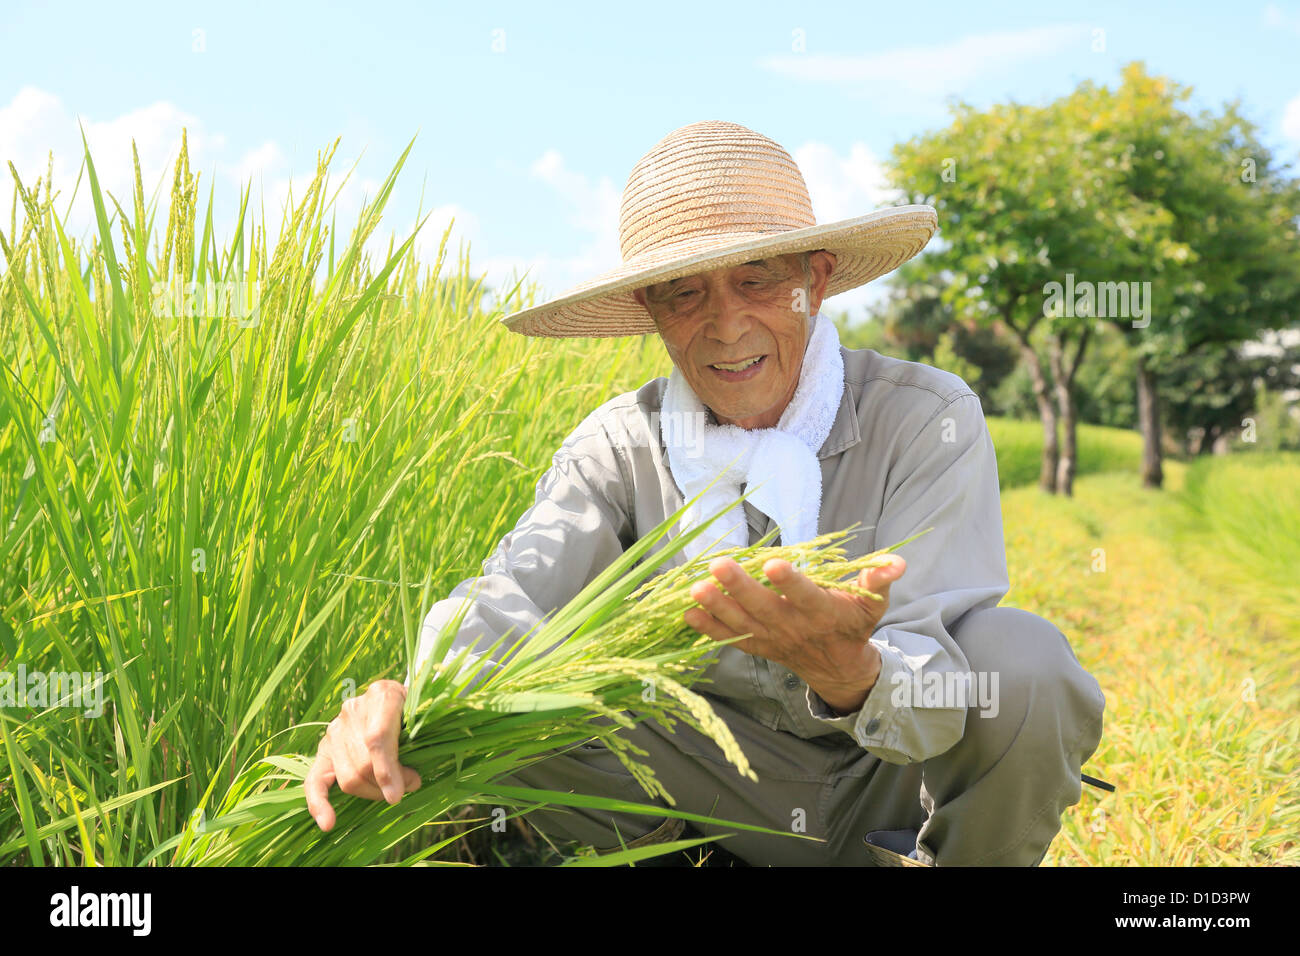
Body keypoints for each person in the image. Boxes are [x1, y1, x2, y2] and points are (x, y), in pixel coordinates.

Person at [304, 120, 1106, 866]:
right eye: (685, 293)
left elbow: (935, 699)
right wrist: (409, 697)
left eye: (757, 281)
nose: (725, 326)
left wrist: (848, 669)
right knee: (509, 715)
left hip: (887, 785)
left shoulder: (924, 419)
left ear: (814, 281)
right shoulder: (621, 446)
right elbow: (510, 603)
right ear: (651, 311)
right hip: (705, 790)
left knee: (1023, 665)